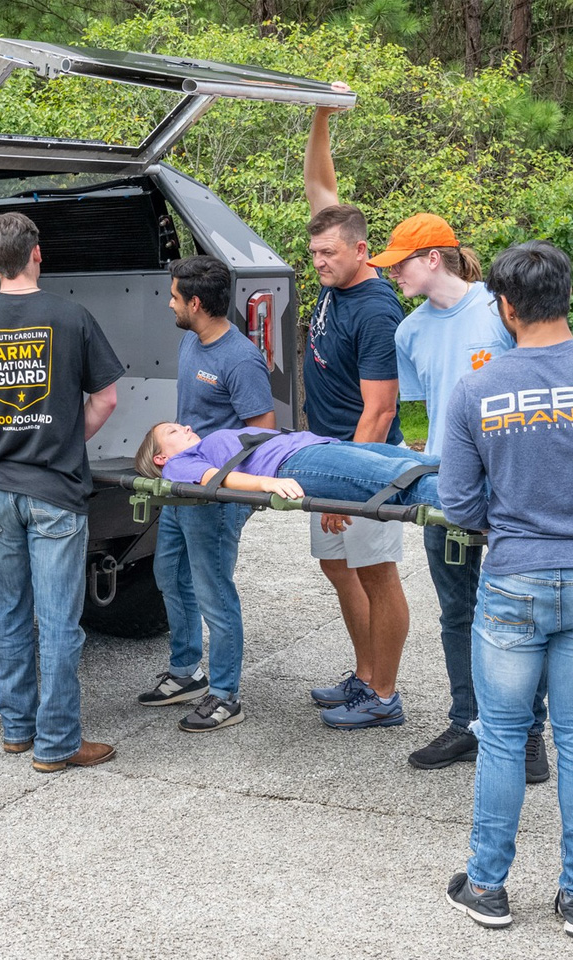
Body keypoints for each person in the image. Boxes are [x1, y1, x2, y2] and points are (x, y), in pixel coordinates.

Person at [368, 214, 550, 781]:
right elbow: (431, 410)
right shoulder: (409, 332)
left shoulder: (499, 310)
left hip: (512, 483)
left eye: (399, 262)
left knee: (522, 612)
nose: (391, 272)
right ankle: (467, 722)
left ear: (432, 259)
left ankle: (526, 737)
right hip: (448, 484)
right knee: (457, 611)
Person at [0, 211, 123, 773]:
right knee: (60, 621)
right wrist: (65, 438)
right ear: (37, 253)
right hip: (55, 490)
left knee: (11, 612)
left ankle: (17, 730)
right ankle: (58, 744)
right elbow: (107, 400)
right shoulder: (72, 318)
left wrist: (3, 434)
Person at [438, 240, 573, 931]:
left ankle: (487, 887)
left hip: (514, 578)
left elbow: (458, 507)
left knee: (501, 737)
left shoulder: (479, 387)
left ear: (507, 306)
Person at [301, 89, 411, 730]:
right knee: (337, 565)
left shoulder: (374, 309)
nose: (318, 262)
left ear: (361, 251)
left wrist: (350, 492)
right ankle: (365, 675)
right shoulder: (335, 270)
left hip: (365, 462)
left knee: (375, 569)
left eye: (328, 254)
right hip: (327, 454)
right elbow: (319, 182)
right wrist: (321, 113)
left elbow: (380, 409)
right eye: (314, 253)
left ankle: (386, 694)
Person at [136, 255, 275, 732]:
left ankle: (225, 695)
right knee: (169, 575)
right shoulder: (190, 341)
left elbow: (263, 434)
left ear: (195, 303)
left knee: (215, 592)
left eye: (174, 297)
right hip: (180, 488)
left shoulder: (240, 359)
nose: (170, 304)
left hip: (214, 498)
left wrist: (233, 497)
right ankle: (185, 671)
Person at [137, 422, 440, 518]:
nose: (185, 427)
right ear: (160, 458)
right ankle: (481, 504)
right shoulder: (178, 465)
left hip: (312, 446)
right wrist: (265, 484)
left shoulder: (198, 449)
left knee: (410, 462)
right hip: (290, 464)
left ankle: (481, 477)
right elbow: (216, 481)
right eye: (173, 432)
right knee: (397, 479)